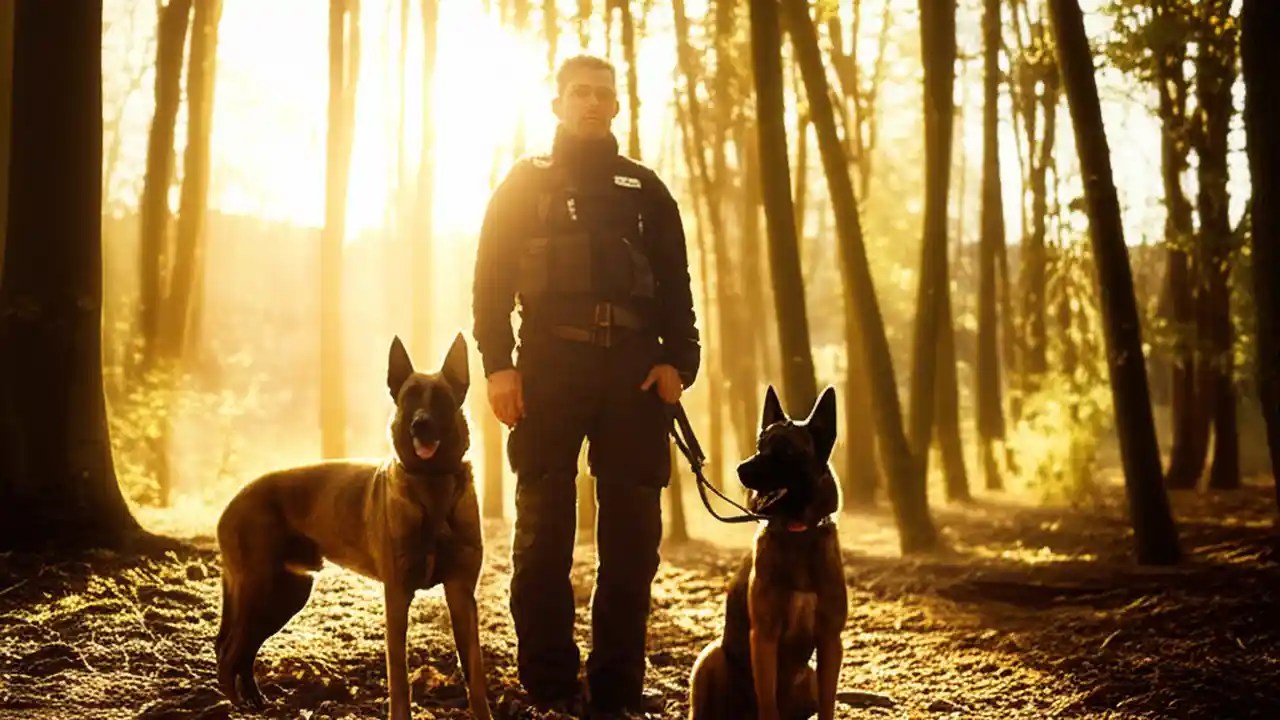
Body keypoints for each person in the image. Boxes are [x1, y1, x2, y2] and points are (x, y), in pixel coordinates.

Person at [471, 54, 700, 717]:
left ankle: (616, 692)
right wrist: (498, 366)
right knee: (542, 535)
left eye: (604, 94)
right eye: (580, 93)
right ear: (558, 105)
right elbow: (489, 285)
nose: (592, 103)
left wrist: (678, 362)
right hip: (547, 365)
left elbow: (677, 288)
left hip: (633, 373)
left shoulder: (646, 190)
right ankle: (549, 688)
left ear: (618, 107)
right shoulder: (523, 183)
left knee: (632, 542)